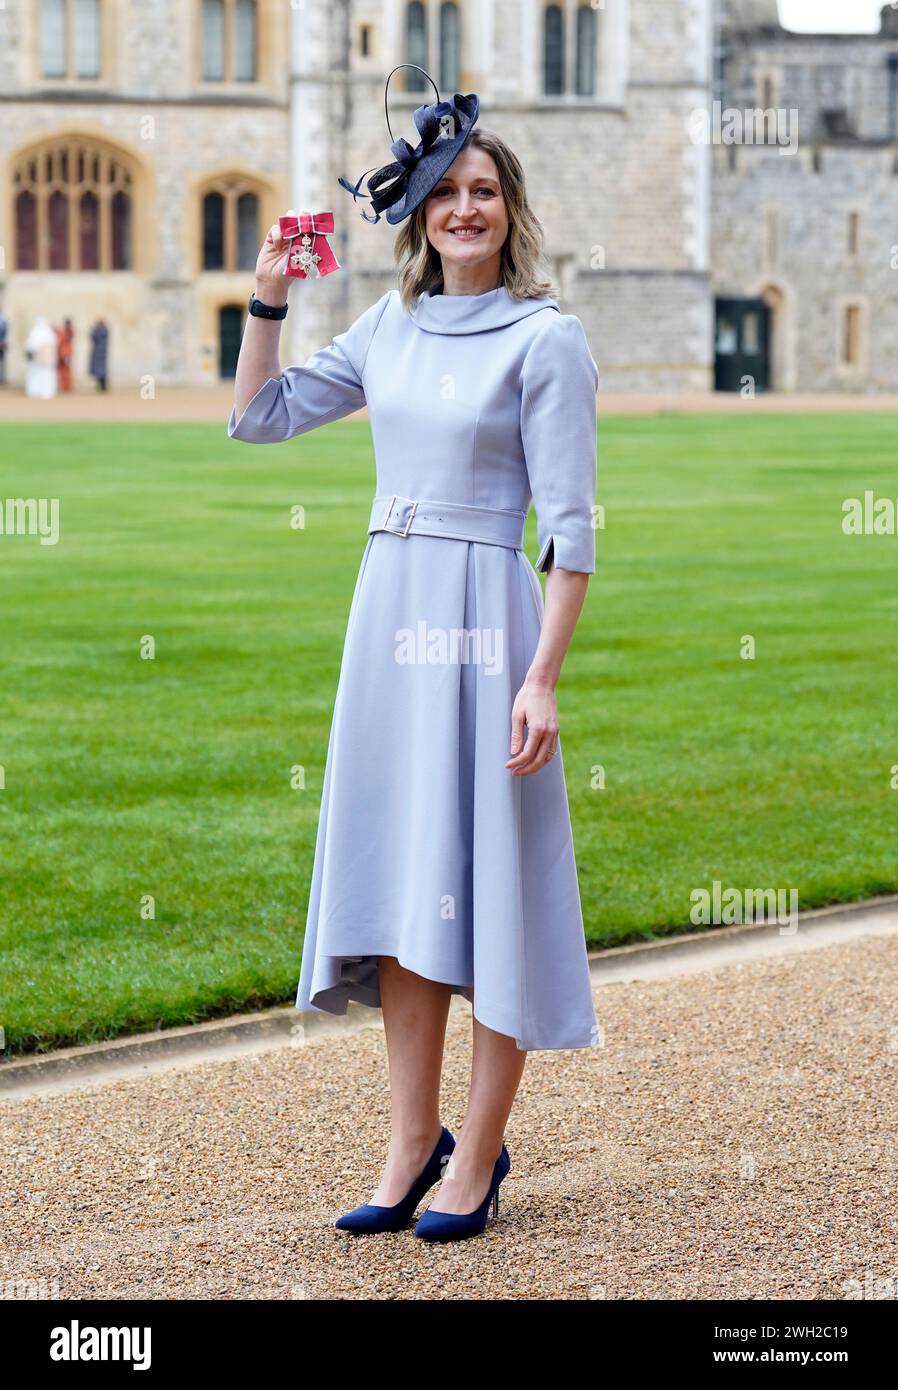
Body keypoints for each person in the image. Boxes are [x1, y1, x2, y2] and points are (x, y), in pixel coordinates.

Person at [228, 65, 599, 1243]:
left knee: (489, 881)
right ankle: (407, 1141)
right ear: (420, 212)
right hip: (388, 616)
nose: (465, 210)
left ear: (509, 208)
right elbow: (260, 416)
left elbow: (574, 531)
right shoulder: (387, 324)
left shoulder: (549, 339)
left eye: (484, 190)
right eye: (447, 192)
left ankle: (477, 1154)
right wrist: (268, 302)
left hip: (488, 623)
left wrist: (540, 677)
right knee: (402, 888)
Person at [24, 316, 58, 399]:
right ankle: (47, 392)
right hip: (47, 360)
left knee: (36, 375)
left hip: (38, 359)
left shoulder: (35, 333)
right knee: (47, 376)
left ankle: (36, 391)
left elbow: (31, 346)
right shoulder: (50, 333)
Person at [89, 317, 108, 389]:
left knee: (101, 371)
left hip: (100, 353)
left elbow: (94, 337)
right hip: (100, 353)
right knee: (99, 372)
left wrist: (93, 329)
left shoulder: (102, 330)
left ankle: (103, 386)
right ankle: (101, 385)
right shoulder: (103, 330)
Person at [56, 317, 75, 391]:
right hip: (65, 353)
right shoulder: (67, 331)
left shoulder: (66, 332)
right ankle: (65, 386)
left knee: (66, 371)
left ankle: (66, 386)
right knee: (65, 371)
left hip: (65, 353)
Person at [0, 303, 8, 386]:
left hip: (1, 344)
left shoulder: (3, 320)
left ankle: (1, 378)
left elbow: (5, 333)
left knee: (2, 361)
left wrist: (3, 342)